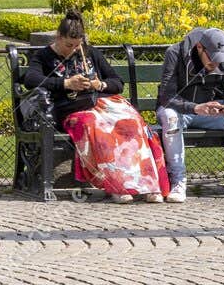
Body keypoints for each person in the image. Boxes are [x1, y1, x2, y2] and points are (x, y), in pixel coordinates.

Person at [23, 11, 168, 204]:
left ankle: (148, 184)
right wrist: (65, 84)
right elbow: (30, 79)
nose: (73, 50)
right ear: (58, 37)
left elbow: (117, 82)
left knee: (132, 122)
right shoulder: (44, 56)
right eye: (68, 45)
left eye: (77, 45)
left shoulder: (90, 52)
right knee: (96, 127)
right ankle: (118, 185)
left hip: (101, 102)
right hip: (71, 108)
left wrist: (99, 85)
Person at [156, 27, 224, 202]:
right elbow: (167, 97)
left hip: (211, 110)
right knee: (169, 116)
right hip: (180, 110)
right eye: (212, 58)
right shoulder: (174, 52)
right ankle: (178, 181)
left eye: (220, 59)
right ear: (199, 48)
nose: (217, 63)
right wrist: (195, 108)